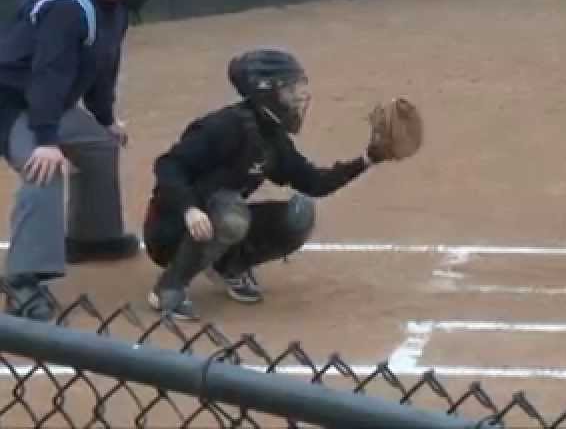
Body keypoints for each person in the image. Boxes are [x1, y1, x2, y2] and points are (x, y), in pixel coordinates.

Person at [144, 49, 390, 320]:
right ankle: (168, 289)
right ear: (267, 92)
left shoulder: (272, 140)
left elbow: (314, 182)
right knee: (231, 214)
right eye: (289, 90)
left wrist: (367, 159)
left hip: (213, 219)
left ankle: (229, 265)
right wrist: (189, 209)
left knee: (299, 215)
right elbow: (168, 165)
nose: (298, 97)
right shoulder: (224, 127)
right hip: (170, 229)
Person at [0, 0, 159, 321]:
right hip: (10, 102)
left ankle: (92, 238)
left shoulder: (114, 5)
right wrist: (46, 140)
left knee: (99, 145)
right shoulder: (68, 6)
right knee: (44, 167)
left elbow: (102, 67)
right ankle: (23, 282)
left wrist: (105, 118)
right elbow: (48, 74)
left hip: (40, 102)